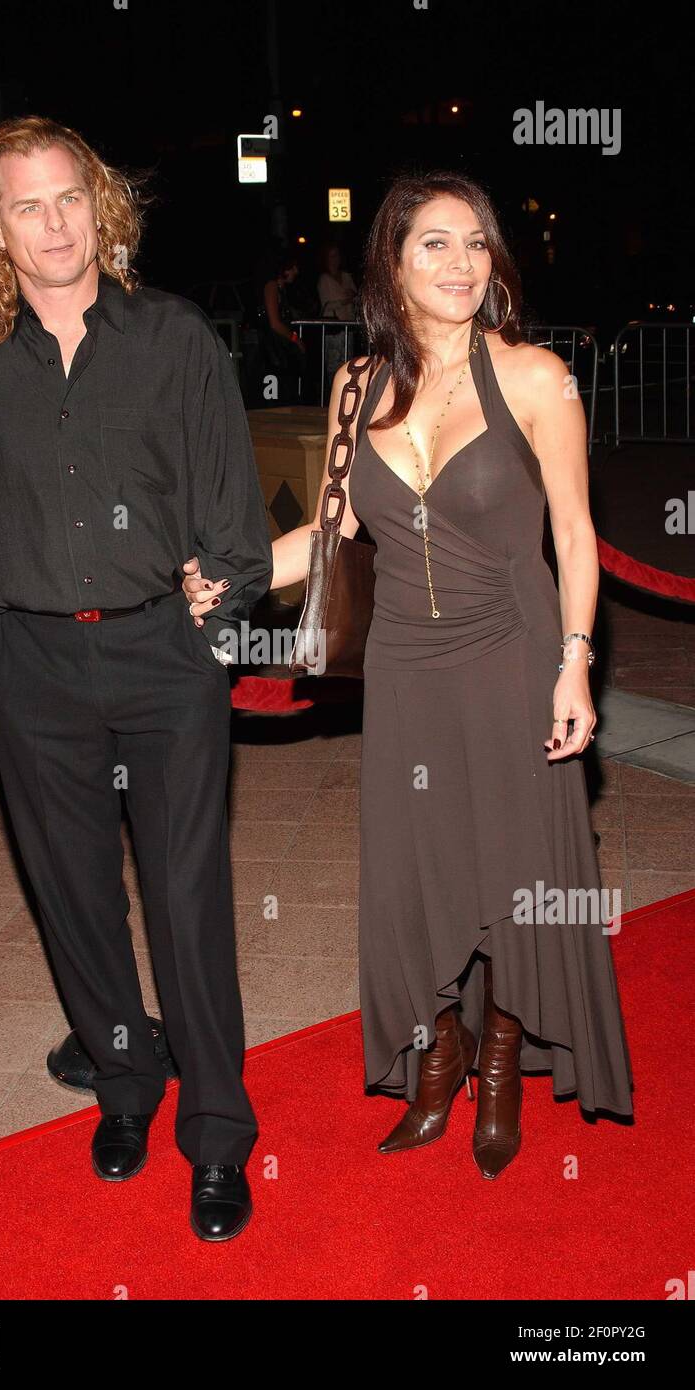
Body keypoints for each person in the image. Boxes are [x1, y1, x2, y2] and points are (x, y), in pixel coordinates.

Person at [183, 170, 634, 1178]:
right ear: (390, 262)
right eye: (434, 243)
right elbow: (329, 529)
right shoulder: (355, 389)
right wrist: (229, 577)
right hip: (406, 669)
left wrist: (576, 662)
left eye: (477, 243)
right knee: (417, 873)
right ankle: (440, 1058)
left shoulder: (535, 378)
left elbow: (576, 531)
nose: (462, 263)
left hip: (513, 655)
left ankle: (504, 1061)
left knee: (514, 874)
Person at [0, 116, 272, 1239]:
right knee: (74, 897)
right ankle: (126, 1083)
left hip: (163, 655)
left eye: (69, 195)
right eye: (26, 204)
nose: (54, 221)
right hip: (34, 664)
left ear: (100, 202)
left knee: (184, 902)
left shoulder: (173, 338)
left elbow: (234, 516)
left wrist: (219, 613)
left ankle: (217, 1133)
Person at [256, 246, 306, 405]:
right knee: (274, 398)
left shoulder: (280, 290)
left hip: (278, 352)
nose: (296, 271)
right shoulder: (271, 286)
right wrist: (295, 339)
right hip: (272, 353)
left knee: (283, 396)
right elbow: (275, 323)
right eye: (293, 267)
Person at [317, 242, 359, 393]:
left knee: (348, 363)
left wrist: (352, 297)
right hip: (334, 328)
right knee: (334, 364)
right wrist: (345, 299)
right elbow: (327, 303)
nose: (335, 259)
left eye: (337, 255)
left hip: (348, 325)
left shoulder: (346, 276)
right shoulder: (324, 279)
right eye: (332, 255)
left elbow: (356, 295)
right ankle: (333, 394)